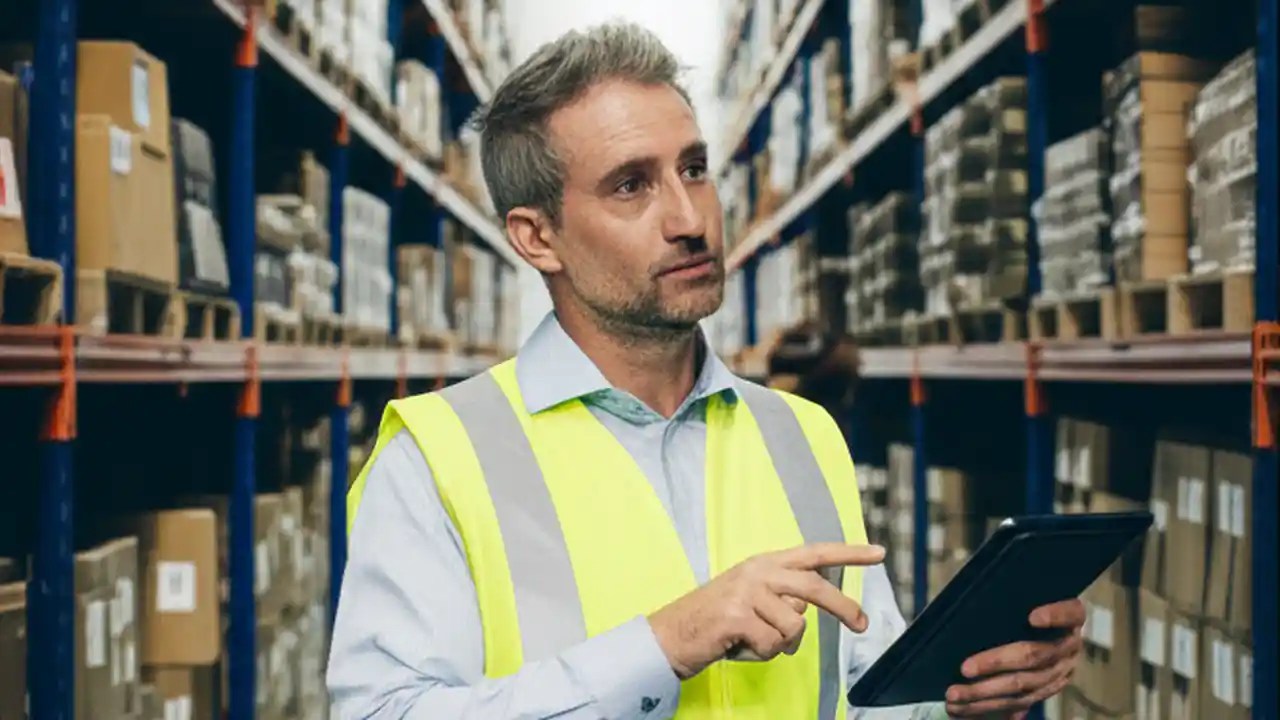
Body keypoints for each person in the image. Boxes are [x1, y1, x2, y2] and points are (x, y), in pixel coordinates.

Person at [327, 22, 1085, 719]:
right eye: (632, 185)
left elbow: (856, 695)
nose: (689, 218)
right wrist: (665, 643)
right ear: (537, 237)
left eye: (694, 169)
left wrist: (959, 700)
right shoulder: (438, 457)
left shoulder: (803, 436)